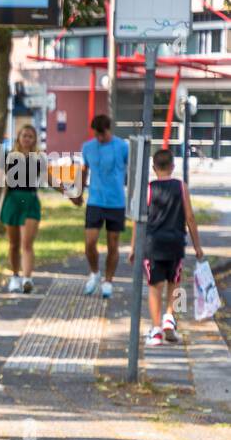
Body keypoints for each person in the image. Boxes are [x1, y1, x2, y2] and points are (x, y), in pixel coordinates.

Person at [128, 148, 204, 347]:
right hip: (176, 244)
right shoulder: (181, 187)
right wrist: (197, 246)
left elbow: (139, 220)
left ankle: (156, 330)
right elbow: (190, 218)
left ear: (154, 168)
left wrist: (134, 247)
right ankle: (169, 316)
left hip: (152, 245)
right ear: (173, 166)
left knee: (154, 287)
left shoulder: (148, 189)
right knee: (175, 282)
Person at [0, 123, 58, 294]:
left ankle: (27, 279)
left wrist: (69, 192)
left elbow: (49, 179)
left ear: (34, 139)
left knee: (27, 243)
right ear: (18, 137)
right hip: (12, 200)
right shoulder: (7, 156)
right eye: (24, 135)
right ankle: (15, 277)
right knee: (14, 244)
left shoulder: (38, 158)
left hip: (30, 201)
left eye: (30, 136)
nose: (27, 138)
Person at [79, 114, 130, 298]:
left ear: (110, 129)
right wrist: (78, 193)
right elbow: (84, 171)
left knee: (113, 244)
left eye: (104, 134)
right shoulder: (88, 147)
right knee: (90, 243)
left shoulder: (122, 147)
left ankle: (108, 281)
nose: (100, 138)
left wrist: (133, 196)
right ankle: (94, 273)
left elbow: (131, 172)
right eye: (97, 134)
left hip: (116, 202)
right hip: (95, 201)